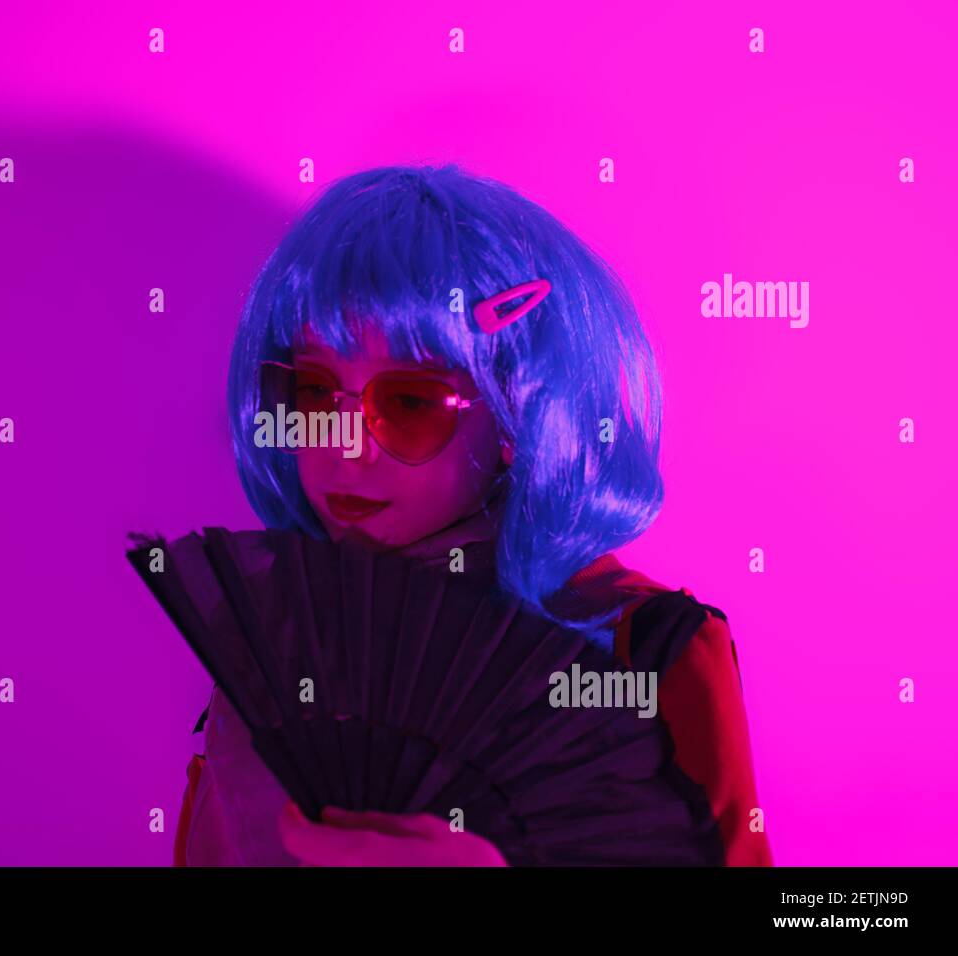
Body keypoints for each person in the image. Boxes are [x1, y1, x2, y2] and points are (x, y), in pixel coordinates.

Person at [173, 164, 772, 866]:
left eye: (410, 401)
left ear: (519, 416)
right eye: (312, 390)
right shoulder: (269, 638)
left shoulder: (649, 647)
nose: (344, 447)